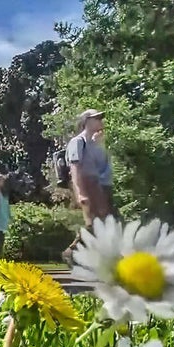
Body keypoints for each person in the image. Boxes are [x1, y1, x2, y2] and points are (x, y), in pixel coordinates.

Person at [61, 109, 112, 264]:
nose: (100, 121)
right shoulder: (78, 142)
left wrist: (100, 145)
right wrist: (80, 193)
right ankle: (72, 252)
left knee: (102, 224)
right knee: (95, 224)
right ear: (87, 121)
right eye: (97, 118)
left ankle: (78, 254)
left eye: (101, 118)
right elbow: (75, 168)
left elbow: (103, 168)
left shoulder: (95, 143)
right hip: (87, 185)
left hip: (99, 187)